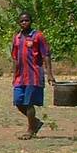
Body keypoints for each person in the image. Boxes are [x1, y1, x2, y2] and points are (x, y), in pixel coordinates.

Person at [11, 11, 54, 139]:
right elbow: (14, 57)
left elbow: (46, 54)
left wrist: (49, 73)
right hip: (20, 76)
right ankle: (35, 122)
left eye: (26, 20)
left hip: (33, 74)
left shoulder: (37, 36)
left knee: (29, 102)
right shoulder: (17, 38)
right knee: (18, 102)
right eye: (22, 21)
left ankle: (30, 130)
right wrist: (14, 74)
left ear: (31, 21)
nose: (24, 23)